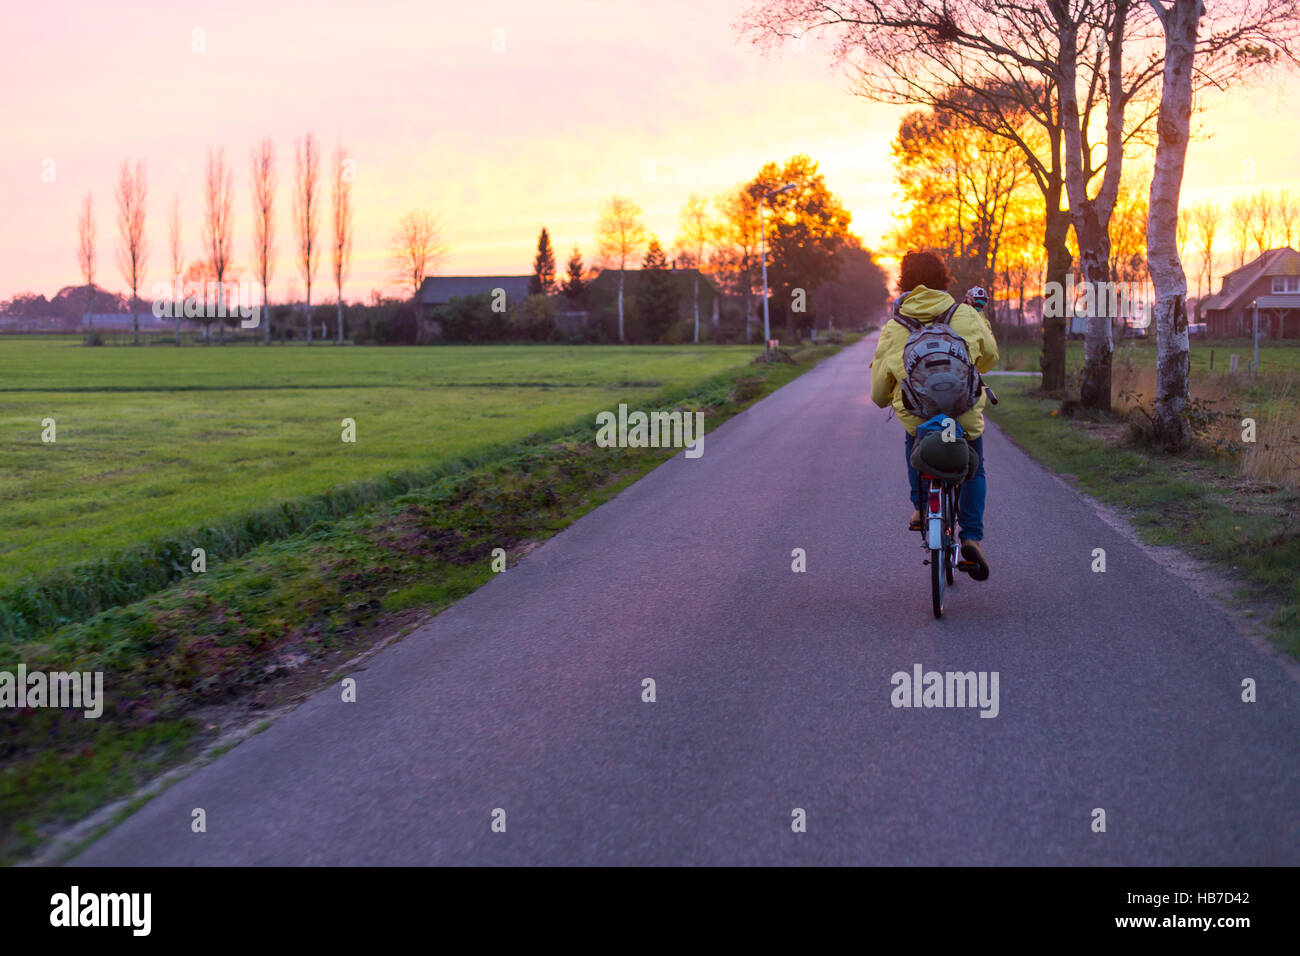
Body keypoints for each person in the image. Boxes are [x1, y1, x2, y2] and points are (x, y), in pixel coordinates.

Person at [870, 253, 999, 578]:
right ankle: (971, 538)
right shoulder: (965, 314)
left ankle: (919, 508)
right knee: (974, 469)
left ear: (904, 283)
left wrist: (888, 397)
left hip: (921, 418)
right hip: (962, 416)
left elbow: (878, 394)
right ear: (944, 279)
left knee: (914, 440)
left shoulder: (895, 326)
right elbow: (990, 357)